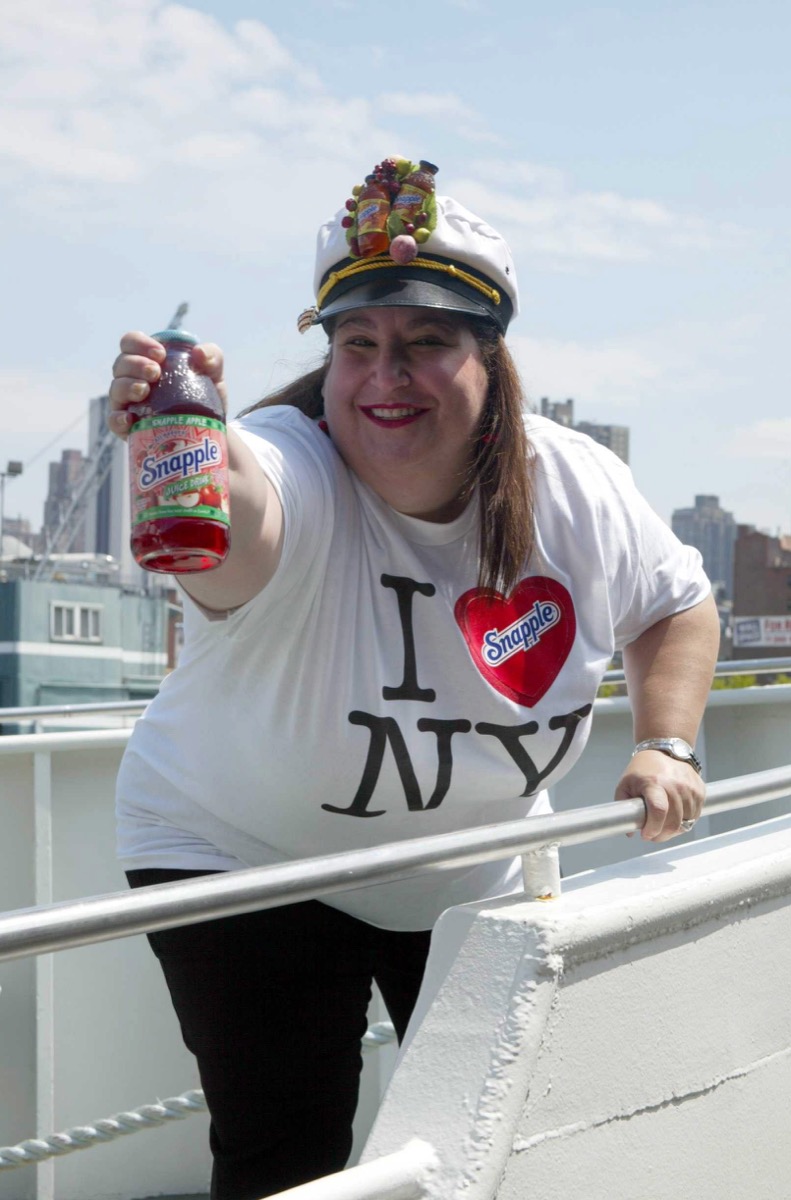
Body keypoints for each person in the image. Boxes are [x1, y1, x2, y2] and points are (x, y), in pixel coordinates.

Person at [108, 154, 720, 1200]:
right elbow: (240, 523)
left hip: (467, 867)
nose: (384, 377)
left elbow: (675, 602)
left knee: (500, 1139)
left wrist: (663, 742)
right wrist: (186, 446)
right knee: (282, 1148)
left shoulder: (573, 485)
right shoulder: (285, 461)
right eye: (358, 346)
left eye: (425, 343)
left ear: (490, 359)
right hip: (240, 855)